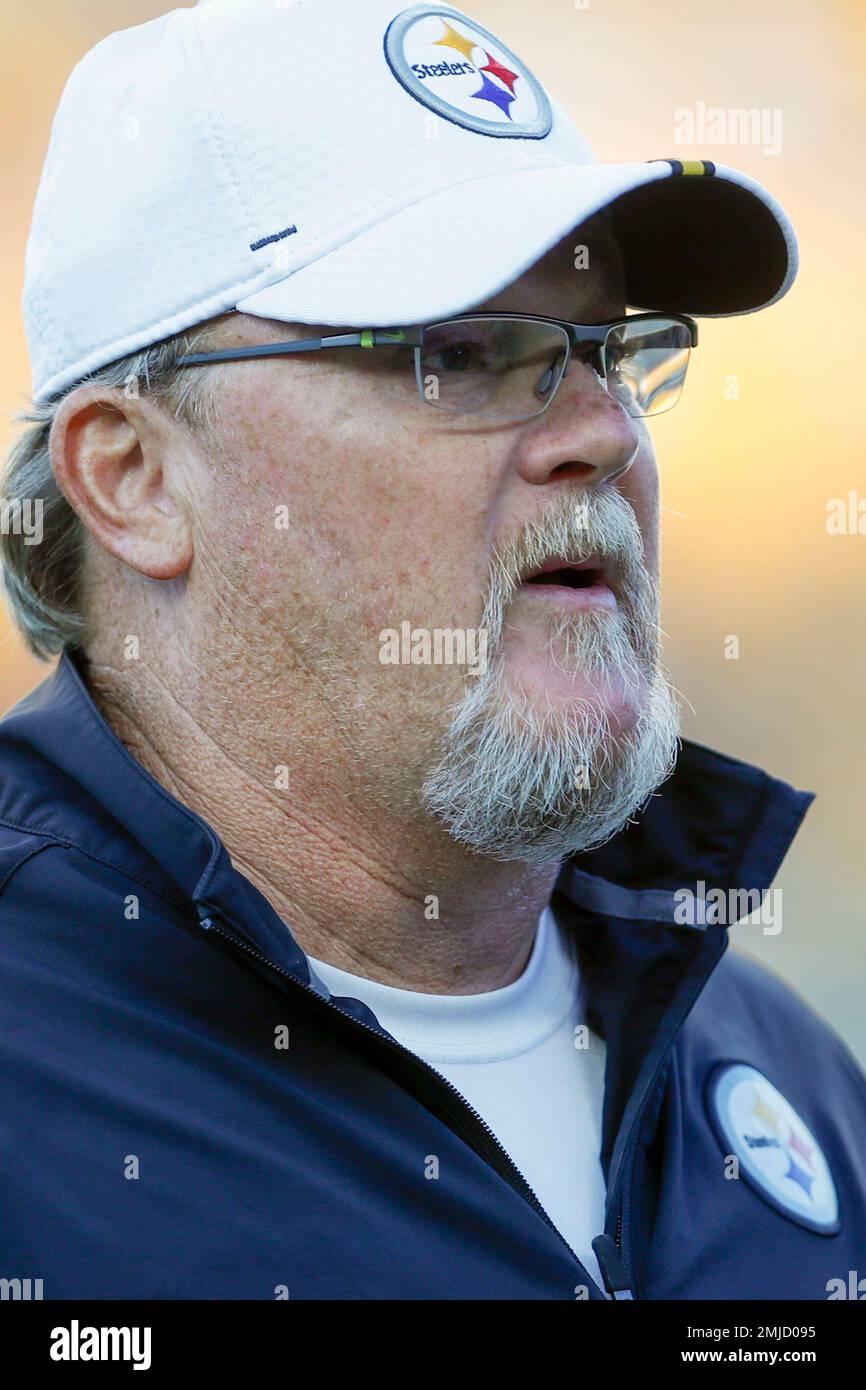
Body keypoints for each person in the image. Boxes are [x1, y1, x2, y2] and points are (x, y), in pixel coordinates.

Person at [0, 0, 862, 1301]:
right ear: (133, 478)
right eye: (455, 356)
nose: (603, 436)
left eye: (611, 353)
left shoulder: (784, 1079)